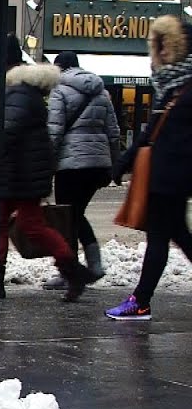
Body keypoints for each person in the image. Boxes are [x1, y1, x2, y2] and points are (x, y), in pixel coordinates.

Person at [0, 35, 93, 301]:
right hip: (22, 171)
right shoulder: (21, 89)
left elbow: (7, 131)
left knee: (17, 225)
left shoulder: (18, 91)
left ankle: (71, 271)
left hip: (20, 173)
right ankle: (68, 271)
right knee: (10, 224)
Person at [106, 16, 192, 320]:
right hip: (163, 175)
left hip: (173, 176)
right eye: (158, 45)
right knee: (178, 234)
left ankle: (140, 301)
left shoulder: (186, 88)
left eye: (167, 44)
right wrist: (124, 162)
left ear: (181, 47)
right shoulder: (171, 86)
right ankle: (140, 301)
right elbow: (150, 132)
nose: (162, 51)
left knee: (159, 238)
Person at [46, 50, 119, 287]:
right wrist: (114, 164)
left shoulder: (59, 90)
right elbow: (114, 131)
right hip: (98, 164)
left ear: (59, 68)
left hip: (70, 165)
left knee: (69, 218)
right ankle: (90, 265)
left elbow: (54, 131)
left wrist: (48, 163)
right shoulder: (102, 93)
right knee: (76, 215)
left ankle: (71, 272)